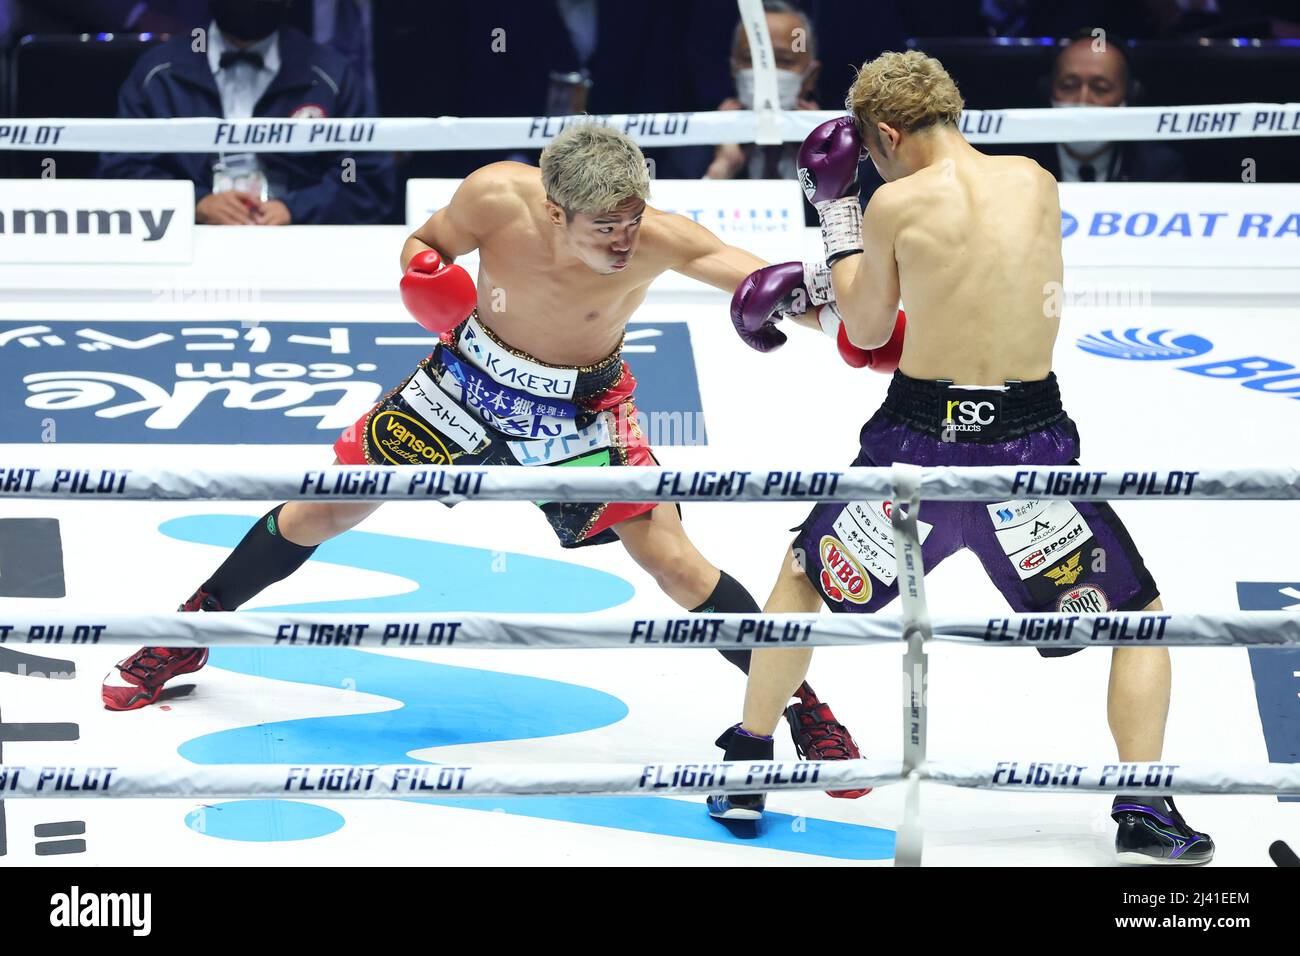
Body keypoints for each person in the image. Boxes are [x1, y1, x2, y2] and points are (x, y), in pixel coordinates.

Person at [102, 122, 868, 788]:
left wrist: (857, 328)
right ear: (553, 209)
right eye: (604, 226)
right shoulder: (496, 196)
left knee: (672, 561)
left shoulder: (663, 238)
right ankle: (191, 632)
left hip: (580, 412)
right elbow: (427, 241)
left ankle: (796, 706)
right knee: (319, 510)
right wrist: (422, 274)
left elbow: (781, 292)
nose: (624, 240)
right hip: (464, 381)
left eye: (631, 219)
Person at [716, 50, 1213, 865]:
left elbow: (869, 333)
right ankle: (1146, 804)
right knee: (1138, 614)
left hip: (918, 449)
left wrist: (836, 212)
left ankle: (746, 760)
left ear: (885, 133)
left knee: (803, 574)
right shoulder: (1036, 182)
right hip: (1031, 449)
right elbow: (975, 285)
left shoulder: (894, 207)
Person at [96, 0, 394, 225]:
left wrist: (295, 209)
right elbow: (122, 169)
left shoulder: (332, 76)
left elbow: (364, 178)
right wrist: (194, 204)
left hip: (301, 247)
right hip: (186, 240)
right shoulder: (158, 74)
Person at [1026, 31, 1186, 184]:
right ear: (1049, 90)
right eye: (1069, 86)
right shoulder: (1019, 163)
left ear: (1129, 95)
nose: (1083, 100)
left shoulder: (1158, 167)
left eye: (1100, 88)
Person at [704, 0, 822, 182]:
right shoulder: (696, 142)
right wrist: (721, 169)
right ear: (734, 69)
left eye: (783, 61)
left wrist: (823, 166)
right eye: (751, 59)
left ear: (811, 76)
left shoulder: (851, 151)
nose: (765, 73)